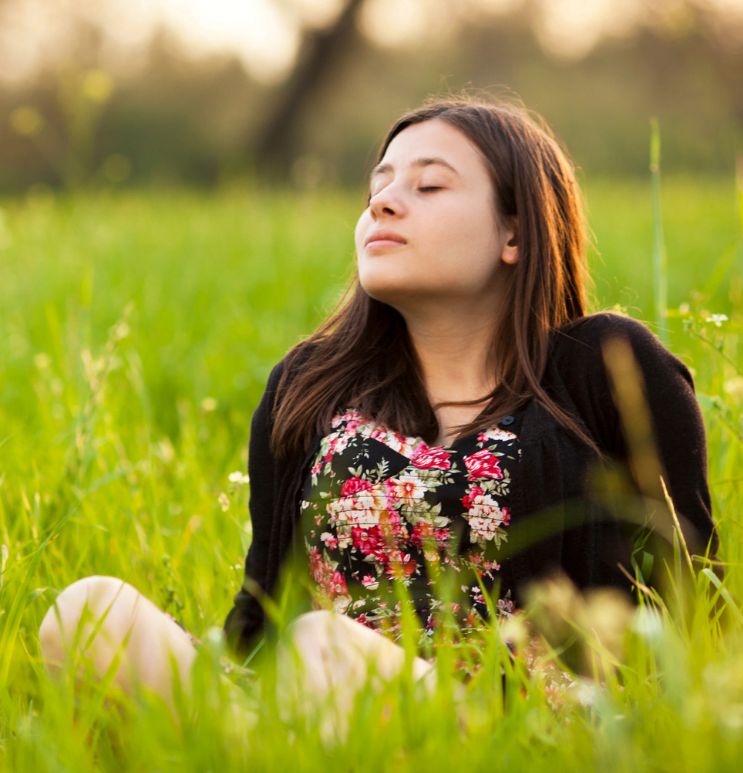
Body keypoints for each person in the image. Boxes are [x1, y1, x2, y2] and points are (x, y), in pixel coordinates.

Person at [39, 96, 719, 718]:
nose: (386, 204)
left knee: (324, 649)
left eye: (428, 185)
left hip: (518, 725)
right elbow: (264, 610)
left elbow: (690, 599)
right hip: (308, 694)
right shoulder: (311, 383)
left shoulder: (604, 365)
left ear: (515, 232)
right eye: (379, 187)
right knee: (89, 611)